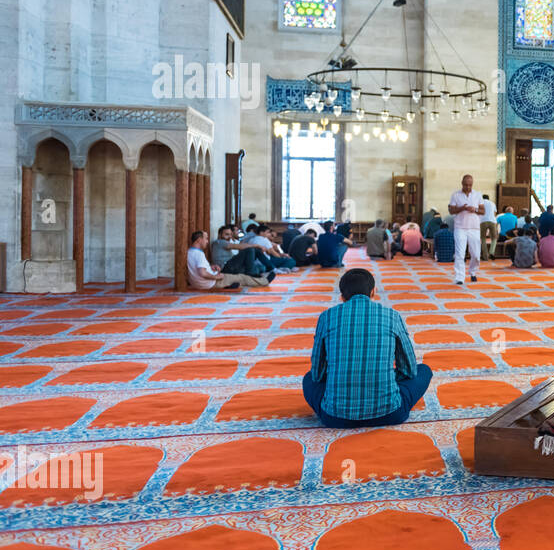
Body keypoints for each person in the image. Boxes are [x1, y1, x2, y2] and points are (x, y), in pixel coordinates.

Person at [302, 268, 433, 429]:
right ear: (373, 292)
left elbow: (317, 374)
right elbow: (409, 370)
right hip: (391, 413)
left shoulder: (326, 317)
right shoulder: (392, 315)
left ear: (342, 297)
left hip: (334, 417)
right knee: (424, 370)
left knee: (308, 379)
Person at [186, 231, 270, 289]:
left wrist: (211, 267)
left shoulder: (190, 251)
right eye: (206, 238)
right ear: (199, 240)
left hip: (203, 282)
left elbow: (200, 269)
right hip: (211, 282)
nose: (207, 241)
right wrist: (216, 277)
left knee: (256, 269)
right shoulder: (202, 252)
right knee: (242, 278)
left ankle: (231, 284)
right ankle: (264, 281)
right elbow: (202, 273)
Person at [448, 174, 485, 285]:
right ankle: (460, 277)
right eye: (466, 185)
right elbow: (451, 211)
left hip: (474, 228)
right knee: (460, 253)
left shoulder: (478, 195)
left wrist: (475, 209)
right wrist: (462, 208)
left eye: (470, 185)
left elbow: (483, 211)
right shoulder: (455, 195)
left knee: (476, 254)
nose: (468, 187)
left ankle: (473, 272)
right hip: (460, 227)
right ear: (462, 184)